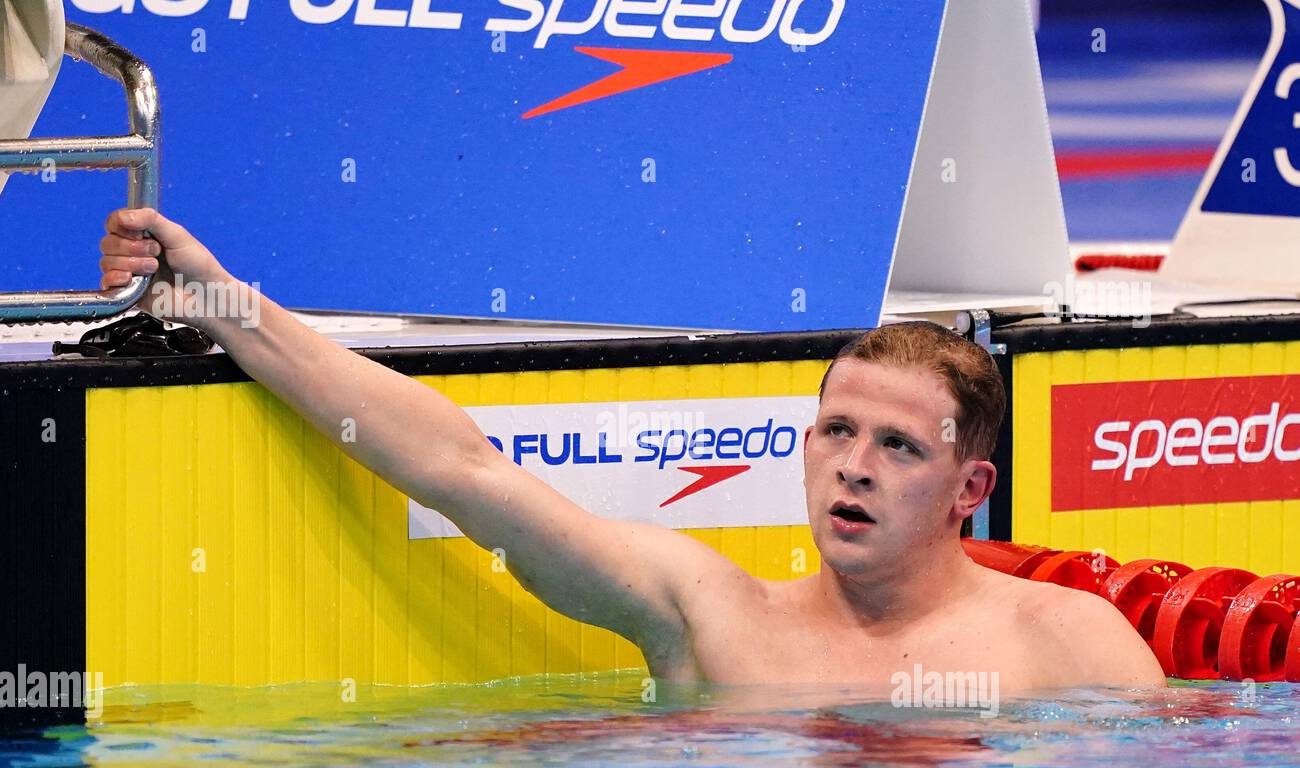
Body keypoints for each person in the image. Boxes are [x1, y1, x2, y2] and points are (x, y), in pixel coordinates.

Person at [98, 207, 1167, 692]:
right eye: (838, 430)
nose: (854, 465)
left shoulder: (1065, 644)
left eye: (898, 445)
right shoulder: (707, 610)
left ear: (967, 487)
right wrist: (216, 298)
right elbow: (464, 469)